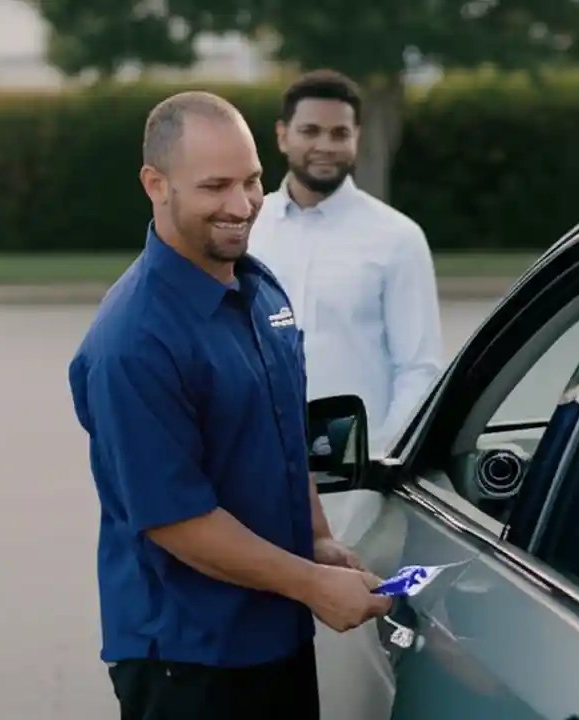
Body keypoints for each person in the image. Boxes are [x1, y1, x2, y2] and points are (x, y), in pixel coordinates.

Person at [68, 91, 392, 720]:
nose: (242, 206)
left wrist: (317, 539)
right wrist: (312, 583)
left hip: (278, 631)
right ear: (156, 185)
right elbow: (176, 520)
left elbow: (285, 433)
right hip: (191, 659)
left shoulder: (258, 287)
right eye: (215, 186)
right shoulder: (133, 341)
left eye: (251, 181)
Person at [248, 69, 443, 456]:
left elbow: (419, 369)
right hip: (257, 459)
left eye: (339, 134)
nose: (325, 145)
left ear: (356, 138)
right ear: (283, 136)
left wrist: (380, 457)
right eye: (310, 131)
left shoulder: (398, 238)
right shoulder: (249, 227)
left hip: (359, 468)